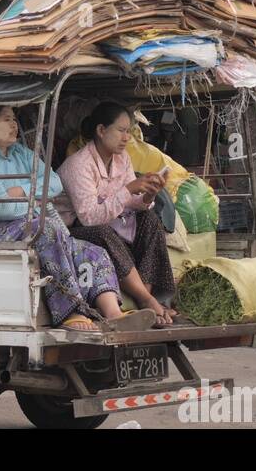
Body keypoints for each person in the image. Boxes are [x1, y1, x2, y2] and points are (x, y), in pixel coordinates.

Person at [0, 105, 156, 332]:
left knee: (92, 251)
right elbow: (2, 210)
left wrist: (20, 190)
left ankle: (114, 314)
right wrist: (33, 193)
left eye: (14, 119)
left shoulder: (20, 153)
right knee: (47, 229)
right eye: (7, 120)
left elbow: (54, 183)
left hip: (28, 224)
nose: (14, 125)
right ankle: (70, 311)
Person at [56, 102, 178, 326]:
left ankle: (151, 302)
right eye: (121, 131)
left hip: (113, 224)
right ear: (101, 131)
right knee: (102, 232)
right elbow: (89, 217)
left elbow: (131, 204)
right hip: (74, 231)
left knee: (150, 220)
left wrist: (149, 195)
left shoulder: (122, 159)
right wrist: (130, 188)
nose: (127, 138)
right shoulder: (78, 165)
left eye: (129, 131)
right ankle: (146, 299)